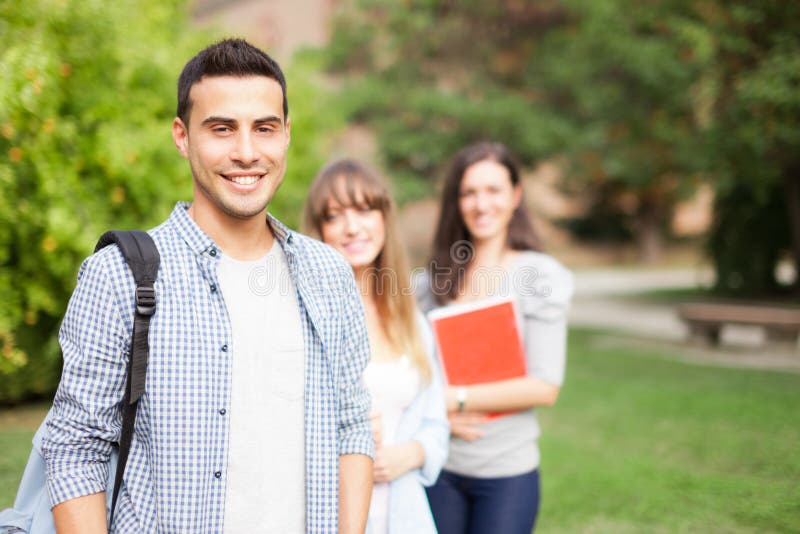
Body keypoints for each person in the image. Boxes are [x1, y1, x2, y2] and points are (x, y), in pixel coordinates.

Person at [42, 39, 374, 534]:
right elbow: (75, 448)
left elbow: (351, 428)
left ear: (286, 135)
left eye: (264, 128)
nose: (246, 152)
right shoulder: (118, 276)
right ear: (182, 136)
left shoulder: (328, 272)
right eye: (222, 129)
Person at [417, 142, 573, 534]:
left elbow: (545, 386)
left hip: (506, 474)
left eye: (493, 191)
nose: (480, 204)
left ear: (516, 196)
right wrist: (436, 412)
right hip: (439, 468)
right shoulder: (430, 282)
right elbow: (413, 371)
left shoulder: (539, 275)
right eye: (469, 192)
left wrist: (453, 399)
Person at [304, 159, 449, 534]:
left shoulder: (410, 319)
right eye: (334, 216)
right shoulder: (305, 318)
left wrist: (410, 454)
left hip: (405, 516)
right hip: (331, 514)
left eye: (365, 210)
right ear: (319, 230)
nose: (352, 227)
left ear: (384, 218)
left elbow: (436, 421)